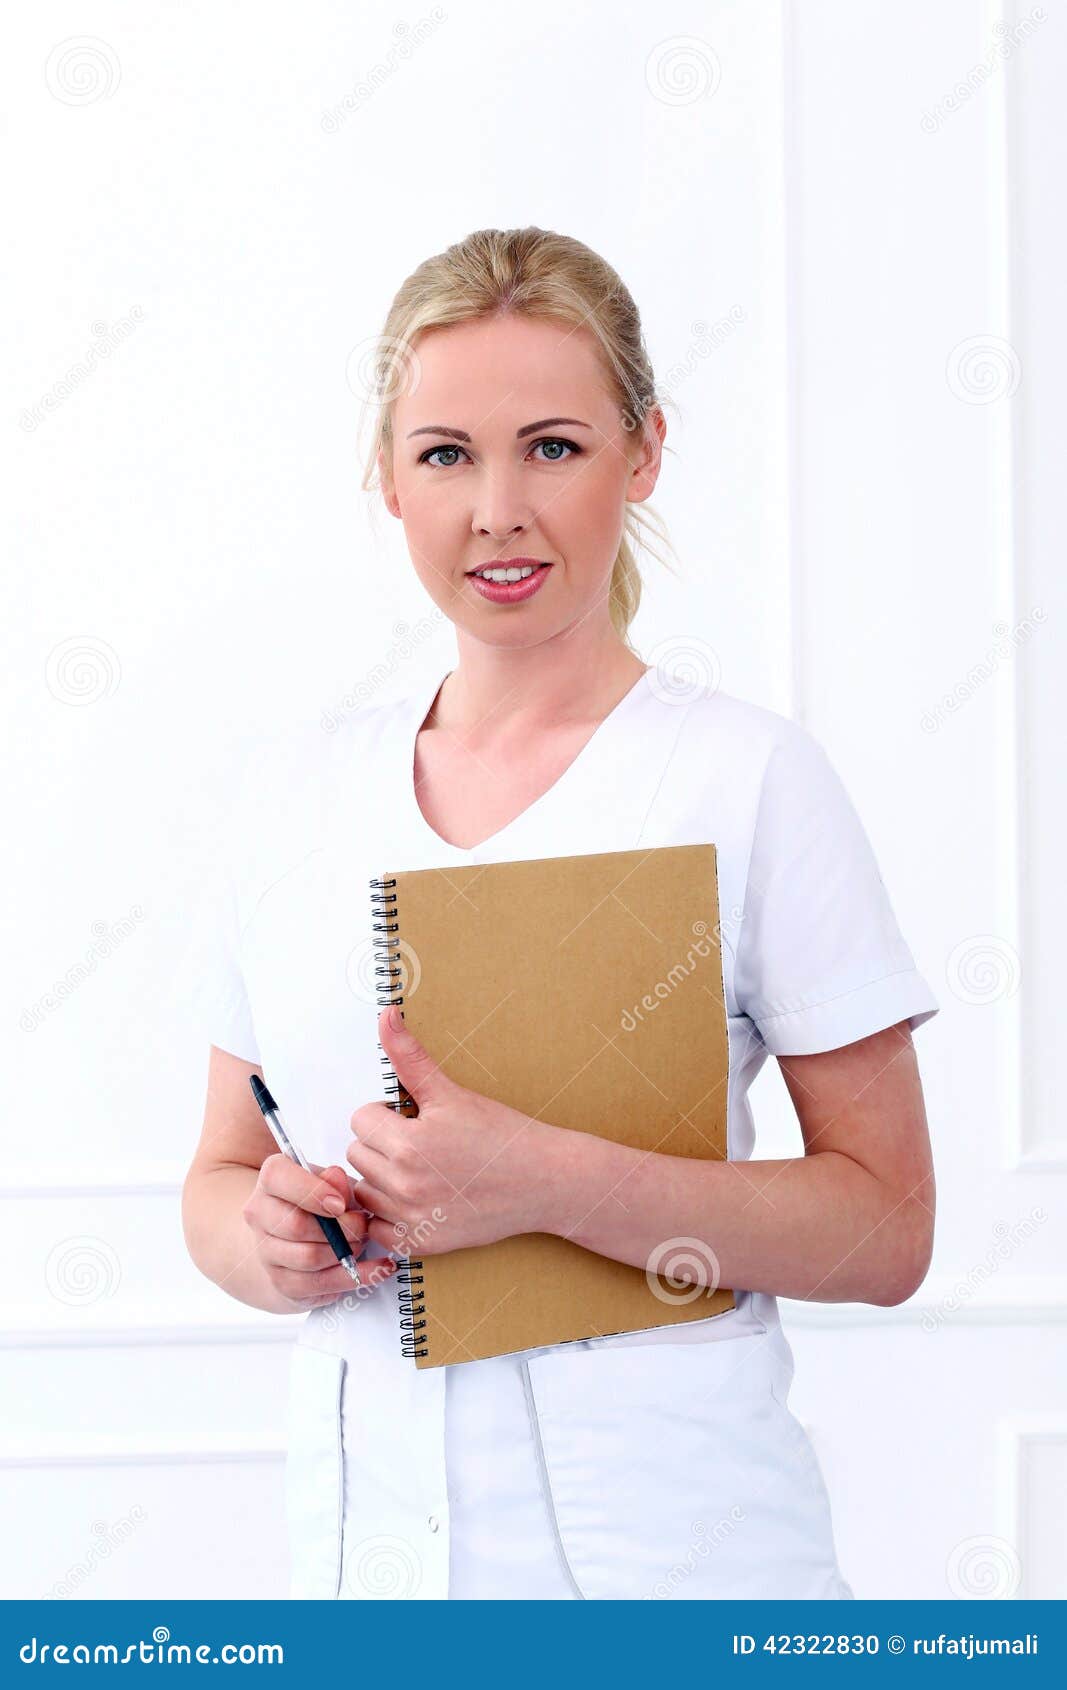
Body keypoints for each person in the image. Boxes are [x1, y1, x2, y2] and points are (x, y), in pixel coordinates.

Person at [181, 226, 939, 1601]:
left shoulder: (747, 777)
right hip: (375, 1575)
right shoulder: (291, 797)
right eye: (445, 455)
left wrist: (548, 1187)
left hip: (685, 1577)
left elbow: (888, 1229)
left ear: (642, 453)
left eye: (554, 446)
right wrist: (268, 1241)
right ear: (387, 476)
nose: (496, 512)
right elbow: (220, 1177)